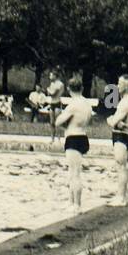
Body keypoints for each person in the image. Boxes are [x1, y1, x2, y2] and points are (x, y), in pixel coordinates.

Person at [55, 75, 94, 214]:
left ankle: (77, 205)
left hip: (73, 138)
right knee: (73, 173)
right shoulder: (86, 104)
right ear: (82, 88)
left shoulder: (73, 105)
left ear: (68, 89)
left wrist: (61, 118)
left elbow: (58, 122)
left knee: (74, 173)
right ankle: (71, 203)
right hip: (82, 135)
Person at [105, 74, 128, 207]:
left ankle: (121, 198)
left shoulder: (125, 102)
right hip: (126, 135)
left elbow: (113, 121)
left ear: (126, 86)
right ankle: (121, 196)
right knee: (123, 166)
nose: (117, 86)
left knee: (121, 167)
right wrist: (117, 122)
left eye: (119, 84)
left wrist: (111, 120)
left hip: (121, 136)